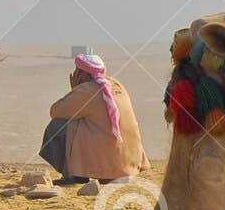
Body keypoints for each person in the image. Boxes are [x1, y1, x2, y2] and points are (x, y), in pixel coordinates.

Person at [39, 53, 149, 185]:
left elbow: (56, 111)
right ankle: (111, 170)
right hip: (128, 165)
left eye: (77, 71)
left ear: (83, 74)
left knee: (58, 125)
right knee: (82, 120)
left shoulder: (86, 90)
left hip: (107, 165)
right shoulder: (116, 84)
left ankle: (75, 175)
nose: (74, 74)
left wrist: (75, 89)